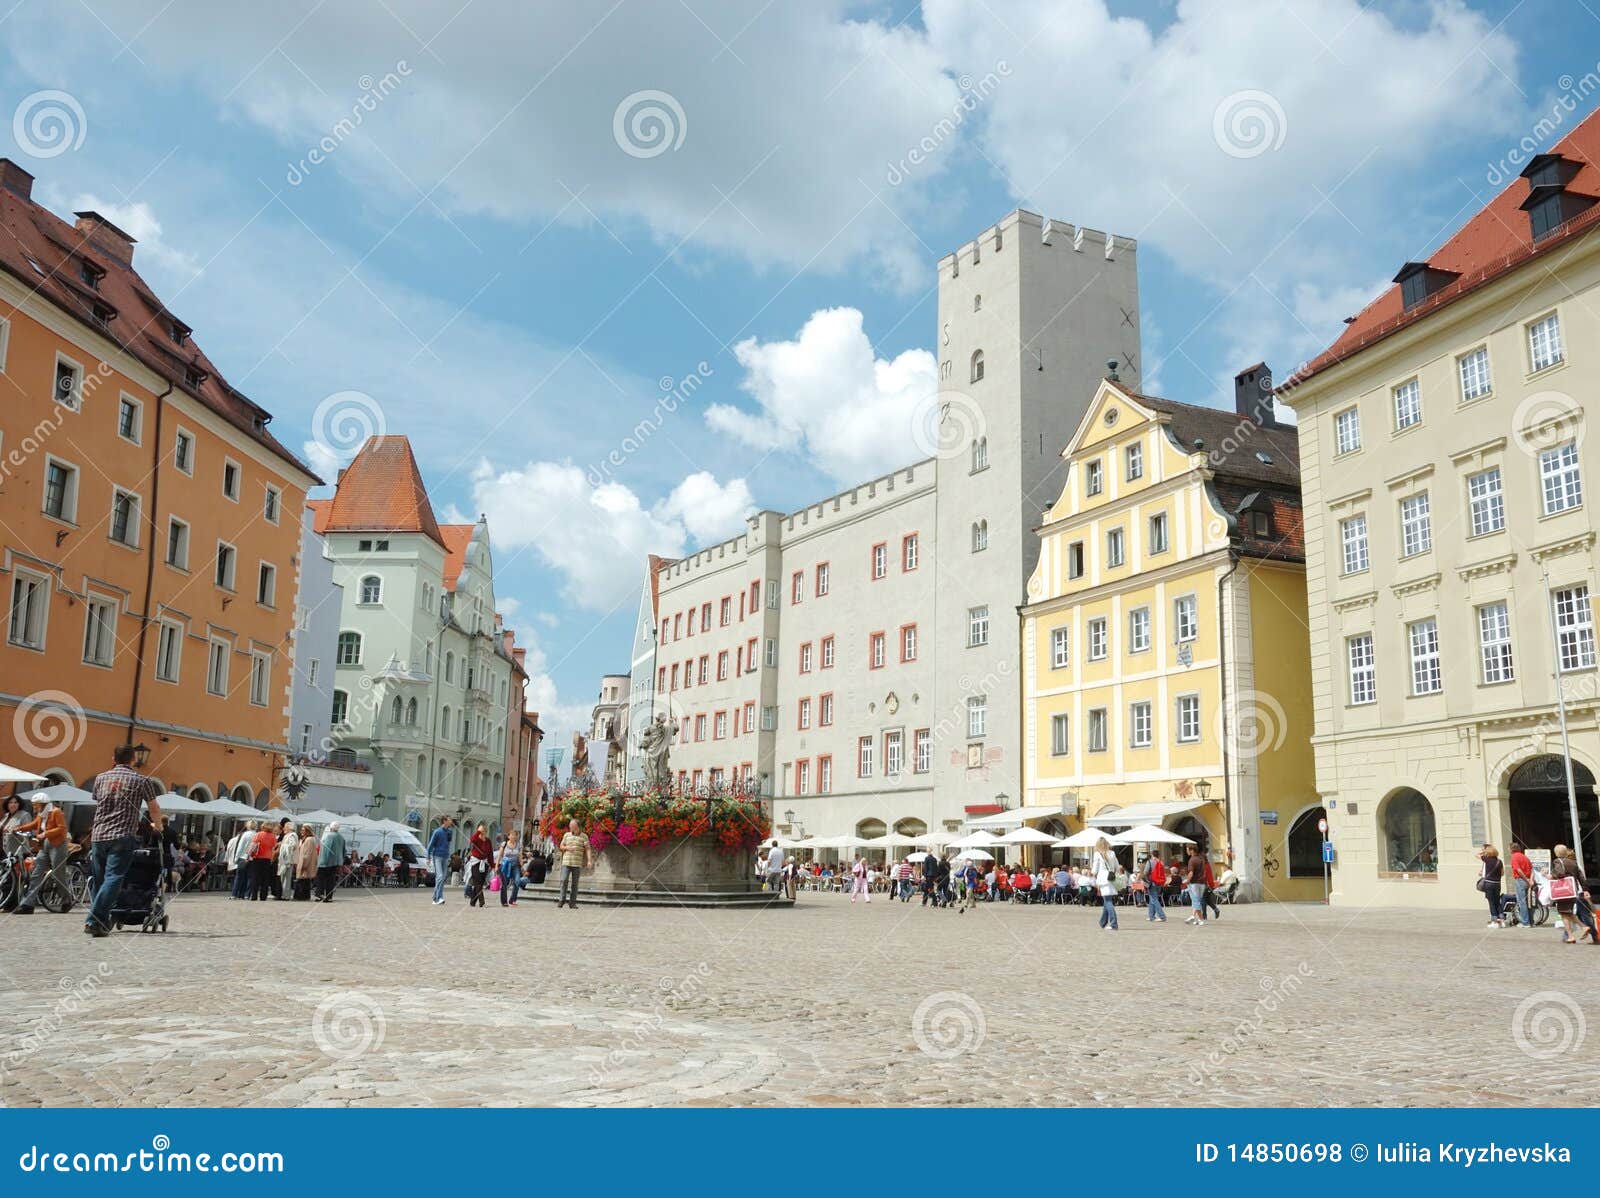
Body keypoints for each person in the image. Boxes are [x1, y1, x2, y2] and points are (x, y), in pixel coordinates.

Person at [83, 745, 163, 937]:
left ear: (113, 758)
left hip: (99, 834)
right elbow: (153, 807)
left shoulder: (100, 778)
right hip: (122, 835)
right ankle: (94, 920)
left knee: (99, 880)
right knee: (114, 878)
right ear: (133, 759)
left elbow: (99, 801)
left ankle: (100, 921)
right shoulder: (141, 780)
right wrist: (158, 827)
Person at [12, 795, 70, 914]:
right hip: (44, 845)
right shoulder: (41, 814)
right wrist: (18, 828)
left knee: (58, 873)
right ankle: (28, 905)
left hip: (57, 844)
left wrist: (46, 834)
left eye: (36, 804)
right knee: (36, 873)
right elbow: (34, 824)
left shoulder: (56, 812)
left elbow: (62, 828)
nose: (34, 806)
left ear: (43, 803)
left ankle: (66, 901)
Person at [1550, 844, 1596, 945]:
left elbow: (1559, 873)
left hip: (1563, 891)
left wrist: (1551, 876)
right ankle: (1572, 935)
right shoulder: (1573, 862)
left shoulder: (1557, 861)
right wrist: (1585, 890)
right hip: (1573, 890)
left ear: (1556, 853)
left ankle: (1578, 930)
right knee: (1566, 912)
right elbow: (1581, 877)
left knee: (1564, 913)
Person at [556, 819, 591, 909]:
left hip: (577, 863)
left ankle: (572, 902)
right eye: (570, 826)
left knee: (575, 884)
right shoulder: (567, 835)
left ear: (577, 826)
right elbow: (561, 846)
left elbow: (588, 849)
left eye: (571, 826)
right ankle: (561, 899)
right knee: (564, 880)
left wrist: (589, 860)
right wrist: (567, 848)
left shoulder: (584, 836)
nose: (570, 827)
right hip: (566, 862)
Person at [1090, 838, 1119, 931]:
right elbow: (1117, 866)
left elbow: (1094, 869)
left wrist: (1092, 874)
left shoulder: (1097, 854)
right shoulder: (1112, 853)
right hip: (1111, 877)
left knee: (1108, 901)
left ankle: (1114, 924)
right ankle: (1102, 922)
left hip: (1103, 878)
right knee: (1107, 900)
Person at [1477, 843, 1508, 928]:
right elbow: (1502, 873)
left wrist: (1483, 852)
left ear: (1488, 852)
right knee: (1497, 901)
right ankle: (1501, 920)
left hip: (1489, 883)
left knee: (1491, 902)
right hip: (1497, 884)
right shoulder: (1499, 861)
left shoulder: (1486, 859)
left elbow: (1476, 855)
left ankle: (1494, 921)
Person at [316, 822, 345, 902]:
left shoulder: (329, 836)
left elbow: (326, 849)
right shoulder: (341, 837)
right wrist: (340, 861)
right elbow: (343, 851)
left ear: (331, 828)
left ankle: (320, 895)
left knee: (320, 878)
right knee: (331, 880)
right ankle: (329, 896)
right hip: (336, 862)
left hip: (326, 862)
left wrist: (322, 861)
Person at [427, 817, 453, 906]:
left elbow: (448, 842)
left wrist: (450, 833)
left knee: (442, 878)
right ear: (444, 821)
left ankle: (435, 898)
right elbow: (430, 845)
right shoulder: (437, 832)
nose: (451, 821)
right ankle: (438, 898)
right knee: (440, 877)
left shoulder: (449, 832)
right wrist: (428, 857)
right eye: (449, 820)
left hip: (445, 856)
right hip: (437, 856)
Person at [1509, 840, 1534, 928]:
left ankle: (1525, 922)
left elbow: (1518, 870)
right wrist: (1530, 880)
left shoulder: (1514, 857)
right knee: (1529, 902)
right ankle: (1531, 922)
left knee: (1522, 902)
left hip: (1520, 880)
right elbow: (1532, 870)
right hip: (1527, 880)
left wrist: (1526, 880)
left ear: (1511, 849)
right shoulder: (1525, 857)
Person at [249, 821, 277, 901]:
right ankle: (263, 896)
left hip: (257, 857)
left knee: (255, 877)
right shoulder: (272, 836)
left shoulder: (258, 834)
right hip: (267, 858)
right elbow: (274, 846)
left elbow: (253, 844)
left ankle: (254, 895)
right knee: (265, 878)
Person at [229, 821, 257, 899]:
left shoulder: (245, 834)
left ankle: (234, 894)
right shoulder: (257, 835)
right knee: (249, 877)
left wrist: (236, 858)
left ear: (248, 826)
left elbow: (240, 847)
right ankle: (246, 894)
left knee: (239, 877)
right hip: (252, 858)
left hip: (243, 857)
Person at [1184, 848, 1208, 925]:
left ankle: (1201, 919)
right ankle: (1193, 916)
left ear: (1192, 850)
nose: (1186, 851)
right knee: (1198, 900)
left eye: (1187, 849)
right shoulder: (1201, 859)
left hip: (1194, 883)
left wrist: (1187, 880)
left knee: (1195, 900)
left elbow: (1191, 872)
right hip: (1202, 883)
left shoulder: (1192, 860)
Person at [498, 830, 522, 906]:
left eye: (515, 835)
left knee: (517, 881)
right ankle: (504, 901)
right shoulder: (504, 844)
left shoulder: (518, 845)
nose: (513, 836)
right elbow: (500, 855)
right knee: (505, 883)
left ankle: (512, 899)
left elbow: (520, 856)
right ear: (508, 836)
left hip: (515, 865)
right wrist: (496, 865)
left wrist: (522, 866)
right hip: (505, 865)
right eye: (512, 835)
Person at [293, 824, 318, 900]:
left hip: (305, 863)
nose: (301, 832)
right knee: (304, 880)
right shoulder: (306, 839)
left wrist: (303, 865)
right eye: (301, 830)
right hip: (304, 862)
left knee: (303, 880)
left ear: (308, 831)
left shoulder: (309, 840)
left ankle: (301, 896)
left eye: (303, 830)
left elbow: (307, 853)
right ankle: (303, 896)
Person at [276, 821, 298, 901]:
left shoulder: (292, 835)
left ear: (289, 828)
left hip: (287, 860)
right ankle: (284, 894)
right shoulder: (287, 835)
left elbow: (293, 845)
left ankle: (286, 895)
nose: (284, 828)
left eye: (285, 827)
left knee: (286, 878)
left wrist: (283, 845)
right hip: (285, 859)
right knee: (283, 877)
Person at [1143, 852, 1167, 923]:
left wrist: (1145, 879)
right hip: (1159, 882)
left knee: (1154, 899)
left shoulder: (1150, 862)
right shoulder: (1161, 862)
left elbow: (1145, 872)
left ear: (1152, 855)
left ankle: (1162, 916)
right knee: (1152, 899)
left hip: (1152, 882)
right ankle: (1151, 916)